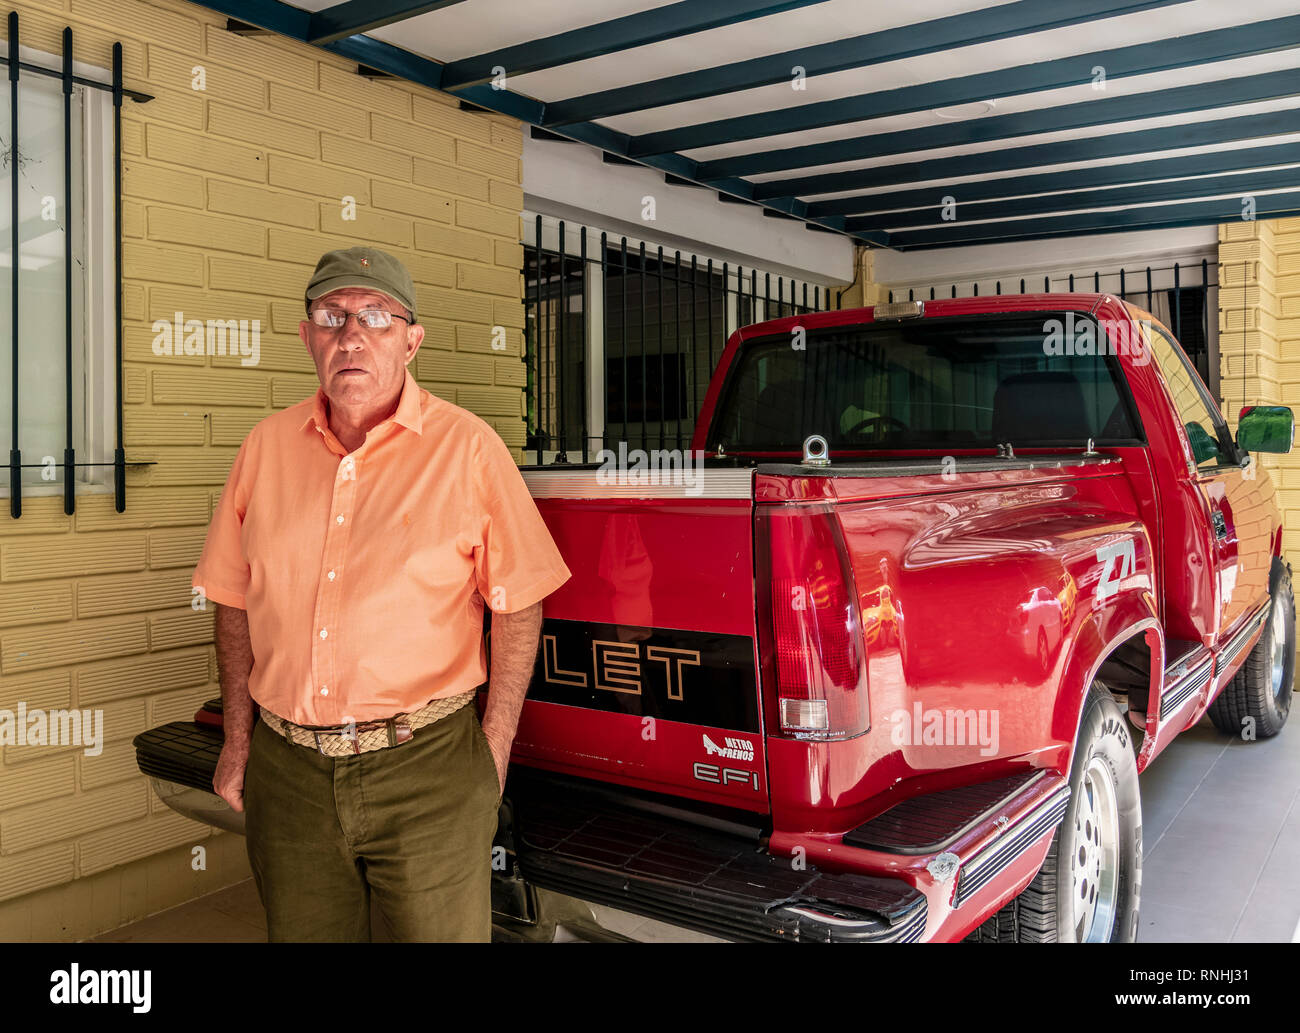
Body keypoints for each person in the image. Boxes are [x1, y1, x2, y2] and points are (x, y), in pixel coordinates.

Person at [192, 245, 570, 941]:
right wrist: (238, 739)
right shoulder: (264, 450)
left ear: (411, 339)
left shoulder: (469, 451)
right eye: (331, 316)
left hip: (426, 768)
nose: (351, 336)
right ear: (307, 336)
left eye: (376, 316)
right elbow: (233, 598)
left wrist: (494, 749)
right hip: (289, 771)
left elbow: (518, 602)